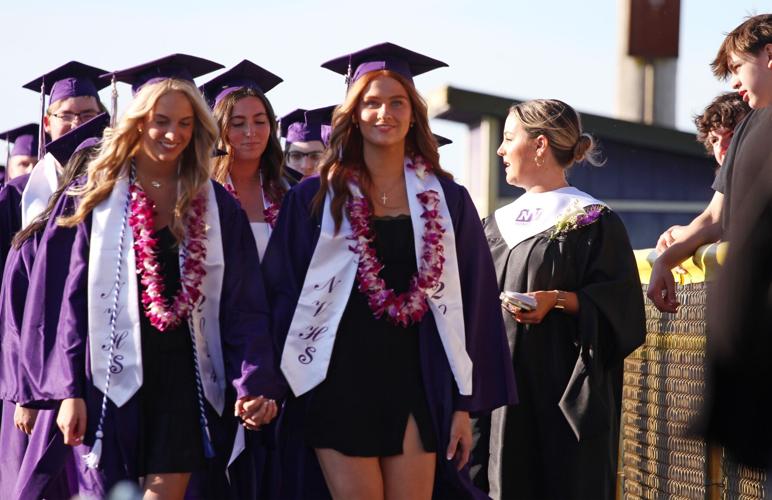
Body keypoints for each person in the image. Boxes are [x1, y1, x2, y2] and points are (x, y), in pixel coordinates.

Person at [17, 54, 283, 499]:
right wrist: (67, 391)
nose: (173, 134)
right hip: (106, 379)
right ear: (137, 123)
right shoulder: (94, 197)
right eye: (160, 120)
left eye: (184, 123)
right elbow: (66, 300)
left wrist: (254, 380)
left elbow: (243, 305)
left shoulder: (216, 205)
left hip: (186, 376)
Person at [262, 42, 516, 500]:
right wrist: (270, 383)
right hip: (337, 381)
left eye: (396, 103)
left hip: (415, 382)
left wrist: (461, 407)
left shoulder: (446, 199)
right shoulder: (315, 199)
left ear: (414, 114)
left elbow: (474, 302)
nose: (385, 113)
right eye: (371, 103)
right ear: (352, 114)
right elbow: (280, 292)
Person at [476, 99, 645, 500]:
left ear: (539, 145)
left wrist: (558, 300)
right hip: (496, 397)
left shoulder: (591, 220)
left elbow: (621, 310)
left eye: (508, 139)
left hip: (558, 398)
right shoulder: (494, 225)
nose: (501, 150)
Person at [0, 113, 109, 499]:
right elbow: (19, 325)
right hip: (46, 392)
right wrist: (24, 396)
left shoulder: (125, 231)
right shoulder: (33, 241)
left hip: (108, 386)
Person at [697, 13, 772, 469]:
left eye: (738, 67)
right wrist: (666, 257)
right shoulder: (749, 129)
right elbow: (716, 218)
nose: (736, 85)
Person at [647, 92, 750, 312]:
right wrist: (682, 239)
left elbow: (714, 220)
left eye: (732, 135)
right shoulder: (730, 174)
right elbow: (714, 219)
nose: (722, 148)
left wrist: (666, 260)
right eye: (714, 140)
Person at [200, 59, 285, 260]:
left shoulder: (287, 191)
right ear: (219, 129)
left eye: (260, 121)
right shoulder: (201, 191)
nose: (250, 132)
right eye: (237, 123)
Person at [20, 61, 109, 228]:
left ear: (101, 118)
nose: (76, 124)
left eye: (87, 115)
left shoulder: (117, 181)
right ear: (46, 123)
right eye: (65, 115)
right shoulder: (17, 192)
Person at [279, 105, 335, 181]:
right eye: (296, 156)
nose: (306, 166)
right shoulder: (268, 191)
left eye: (315, 157)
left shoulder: (341, 192)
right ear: (285, 160)